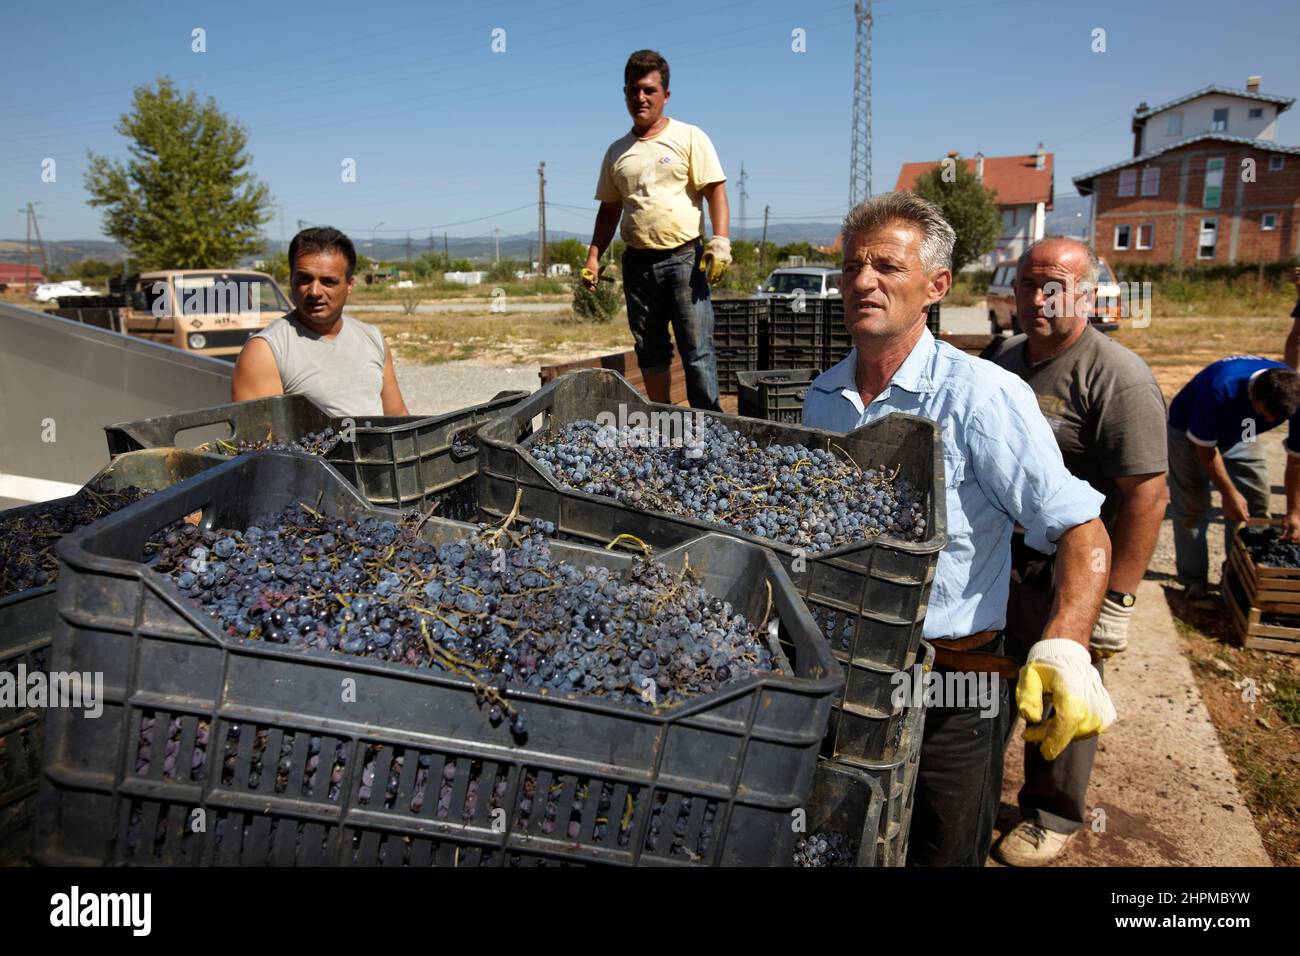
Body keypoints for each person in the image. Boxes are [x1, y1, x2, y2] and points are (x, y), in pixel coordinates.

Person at [801, 192, 1116, 867]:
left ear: (936, 286)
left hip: (954, 683)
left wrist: (1066, 644)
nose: (863, 282)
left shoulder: (982, 396)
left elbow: (1080, 526)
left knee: (944, 847)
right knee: (846, 841)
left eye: (888, 266)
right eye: (854, 266)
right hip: (852, 680)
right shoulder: (822, 399)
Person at [989, 237, 1169, 866]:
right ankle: (977, 796)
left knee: (1062, 695)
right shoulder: (1004, 358)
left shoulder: (1116, 377)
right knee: (990, 691)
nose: (1039, 298)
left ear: (1088, 295)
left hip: (1070, 578)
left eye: (1056, 287)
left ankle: (1051, 814)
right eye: (1027, 285)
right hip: (1000, 568)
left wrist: (1117, 598)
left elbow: (1146, 497)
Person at [581, 49, 730, 411]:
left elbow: (715, 191)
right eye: (633, 90)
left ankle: (708, 426)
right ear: (625, 94)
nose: (640, 98)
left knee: (697, 349)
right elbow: (610, 208)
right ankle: (662, 423)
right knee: (650, 350)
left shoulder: (689, 137)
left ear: (666, 95)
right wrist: (594, 255)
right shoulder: (618, 152)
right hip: (638, 265)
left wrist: (721, 241)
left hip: (684, 260)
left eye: (649, 90)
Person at [233, 226, 410, 417]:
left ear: (349, 285)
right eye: (304, 279)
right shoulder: (265, 351)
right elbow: (261, 442)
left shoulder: (372, 338)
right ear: (291, 279)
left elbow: (397, 417)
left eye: (328, 281)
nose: (315, 291)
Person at [1167, 356, 1300, 602]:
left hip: (1246, 428)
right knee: (1193, 506)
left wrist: (1294, 511)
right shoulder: (1220, 387)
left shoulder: (1294, 394)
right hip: (1188, 431)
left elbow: (1296, 459)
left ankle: (1236, 577)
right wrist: (1228, 494)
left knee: (1254, 502)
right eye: (1266, 414)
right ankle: (1193, 581)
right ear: (1253, 397)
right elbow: (1205, 449)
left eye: (1276, 419)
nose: (1271, 422)